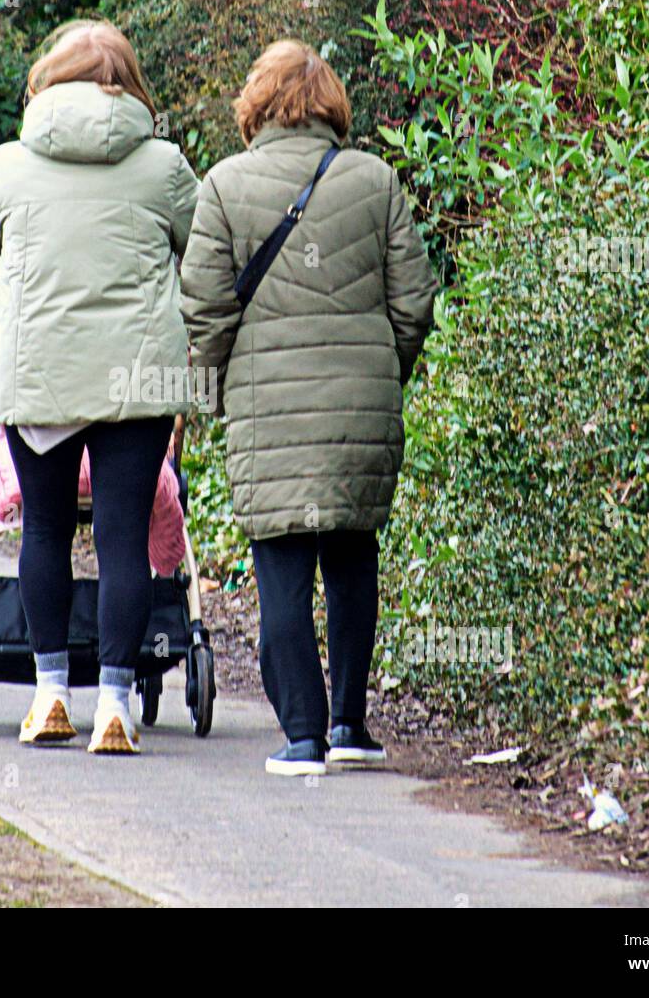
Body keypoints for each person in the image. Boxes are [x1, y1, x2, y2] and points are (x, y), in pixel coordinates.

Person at [180, 40, 438, 776]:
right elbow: (414, 300)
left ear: (256, 104)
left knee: (282, 566)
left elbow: (202, 309)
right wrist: (386, 374)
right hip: (363, 403)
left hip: (269, 409)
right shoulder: (375, 179)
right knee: (354, 559)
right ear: (330, 104)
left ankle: (303, 736)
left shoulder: (225, 187)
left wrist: (211, 390)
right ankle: (352, 724)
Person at [0, 21, 198, 755]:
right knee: (122, 537)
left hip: (41, 377)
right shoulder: (163, 166)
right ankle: (116, 703)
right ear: (128, 85)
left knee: (48, 531)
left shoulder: (7, 165)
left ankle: (51, 692)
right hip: (137, 382)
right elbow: (200, 241)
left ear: (46, 83)